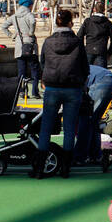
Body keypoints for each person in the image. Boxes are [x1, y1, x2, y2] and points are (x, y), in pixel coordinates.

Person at [34, 9, 87, 177]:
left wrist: (45, 77)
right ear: (70, 22)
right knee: (70, 128)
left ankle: (40, 167)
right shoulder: (77, 42)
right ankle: (65, 168)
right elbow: (84, 66)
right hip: (73, 87)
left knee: (46, 128)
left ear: (56, 23)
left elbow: (43, 62)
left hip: (52, 86)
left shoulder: (48, 42)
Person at [82, 65, 112, 164]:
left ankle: (82, 156)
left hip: (102, 82)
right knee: (94, 122)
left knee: (87, 120)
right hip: (111, 81)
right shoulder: (77, 64)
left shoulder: (69, 70)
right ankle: (95, 155)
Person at [3, 0, 41, 99]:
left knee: (21, 71)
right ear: (29, 5)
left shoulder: (14, 16)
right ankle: (34, 91)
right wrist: (31, 32)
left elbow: (4, 26)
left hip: (19, 45)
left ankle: (21, 91)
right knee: (35, 69)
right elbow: (32, 22)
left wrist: (11, 35)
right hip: (30, 45)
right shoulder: (29, 15)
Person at [77, 1, 112, 69]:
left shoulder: (88, 21)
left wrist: (82, 49)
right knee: (101, 75)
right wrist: (109, 52)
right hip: (101, 50)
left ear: (94, 9)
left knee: (86, 74)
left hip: (89, 49)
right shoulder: (107, 23)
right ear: (104, 10)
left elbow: (79, 35)